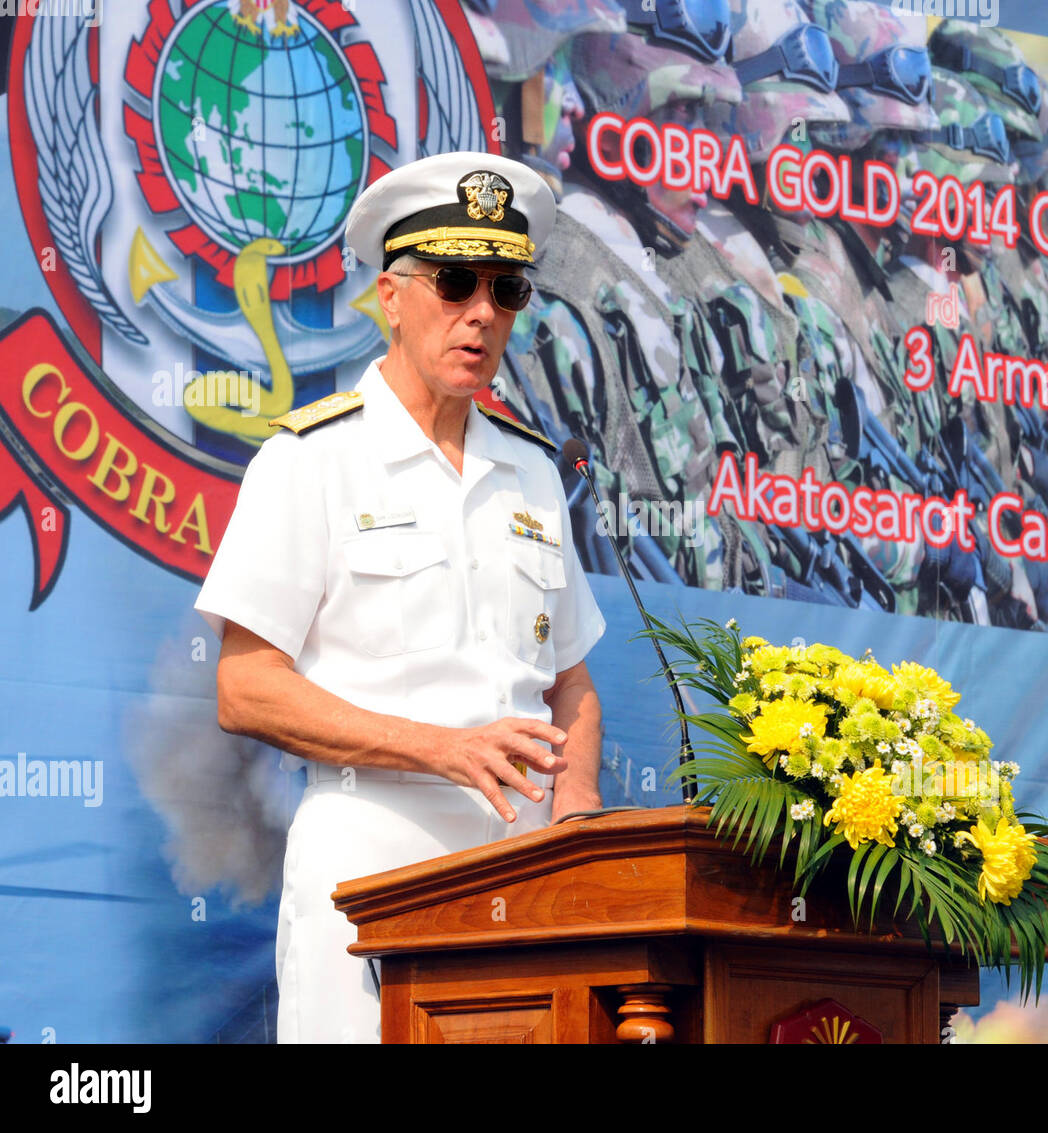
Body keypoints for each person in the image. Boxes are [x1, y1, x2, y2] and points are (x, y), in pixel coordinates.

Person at [194, 152, 607, 1044]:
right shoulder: (311, 460)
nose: (482, 313)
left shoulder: (533, 469)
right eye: (456, 282)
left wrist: (573, 815)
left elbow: (571, 684)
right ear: (390, 294)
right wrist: (441, 748)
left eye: (507, 290)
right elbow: (245, 687)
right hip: (372, 861)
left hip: (521, 876)